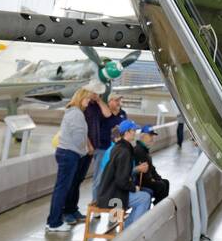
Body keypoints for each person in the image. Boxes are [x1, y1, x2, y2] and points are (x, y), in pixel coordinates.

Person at [45, 87, 93, 233]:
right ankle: (54, 223)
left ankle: (52, 221)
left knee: (61, 188)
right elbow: (79, 138)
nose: (89, 101)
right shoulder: (76, 114)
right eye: (87, 98)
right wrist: (84, 151)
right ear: (80, 98)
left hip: (67, 153)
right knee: (62, 189)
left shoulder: (73, 112)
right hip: (69, 154)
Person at [95, 119, 151, 228]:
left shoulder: (118, 147)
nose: (135, 132)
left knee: (144, 195)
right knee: (145, 197)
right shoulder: (124, 151)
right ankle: (131, 230)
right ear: (126, 133)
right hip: (113, 196)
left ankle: (128, 227)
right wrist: (134, 188)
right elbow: (121, 180)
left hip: (108, 192)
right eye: (133, 130)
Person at [84, 92, 125, 180]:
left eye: (120, 100)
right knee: (99, 176)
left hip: (116, 149)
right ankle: (97, 194)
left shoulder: (123, 114)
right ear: (109, 101)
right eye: (116, 100)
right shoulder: (102, 112)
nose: (119, 102)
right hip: (103, 148)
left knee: (112, 176)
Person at [133, 125, 169, 203]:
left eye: (153, 136)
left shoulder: (144, 150)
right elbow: (143, 173)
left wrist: (158, 178)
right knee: (161, 185)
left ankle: (159, 206)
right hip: (141, 182)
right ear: (142, 136)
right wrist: (154, 180)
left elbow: (152, 168)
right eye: (150, 135)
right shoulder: (139, 150)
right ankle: (158, 208)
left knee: (165, 182)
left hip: (147, 179)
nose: (152, 138)